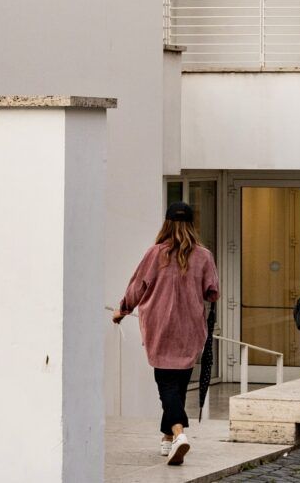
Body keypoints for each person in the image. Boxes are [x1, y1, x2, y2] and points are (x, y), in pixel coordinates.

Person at [115, 200, 219, 467]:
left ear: (167, 223)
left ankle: (178, 433)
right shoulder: (204, 255)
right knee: (179, 386)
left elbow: (138, 286)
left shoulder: (155, 254)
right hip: (190, 329)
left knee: (167, 387)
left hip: (160, 328)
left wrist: (123, 310)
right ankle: (166, 439)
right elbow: (212, 291)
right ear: (191, 225)